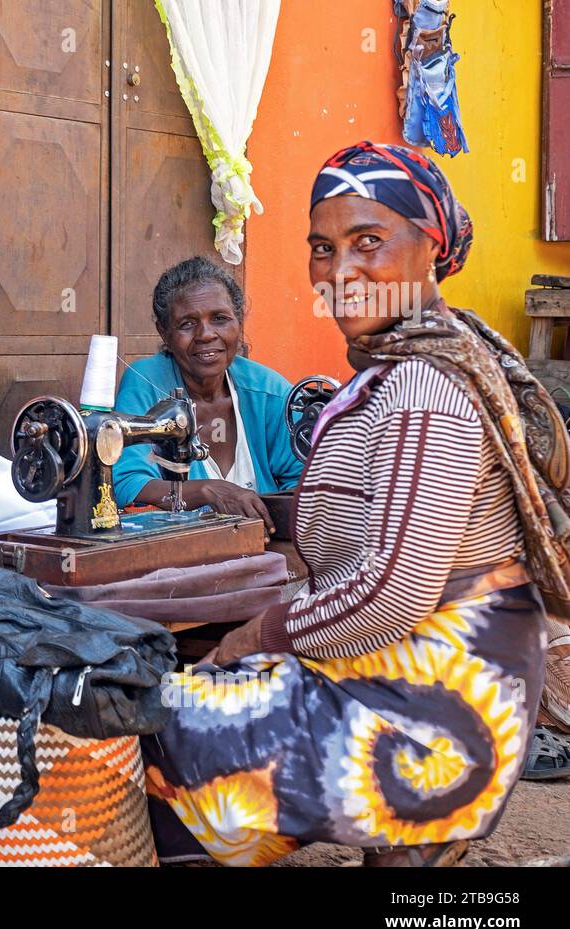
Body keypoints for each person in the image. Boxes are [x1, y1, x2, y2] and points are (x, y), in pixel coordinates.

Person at [143, 141, 561, 867]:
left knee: (155, 730)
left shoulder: (426, 388)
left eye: (368, 242)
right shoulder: (402, 367)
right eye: (321, 247)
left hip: (432, 716)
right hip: (426, 685)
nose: (340, 271)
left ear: (430, 246)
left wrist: (255, 636)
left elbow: (392, 591)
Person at [113, 257, 303, 531]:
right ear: (164, 332)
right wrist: (207, 491)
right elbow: (128, 483)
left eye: (220, 319)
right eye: (187, 324)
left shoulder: (268, 391)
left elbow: (302, 481)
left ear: (239, 322)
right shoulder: (145, 382)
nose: (205, 334)